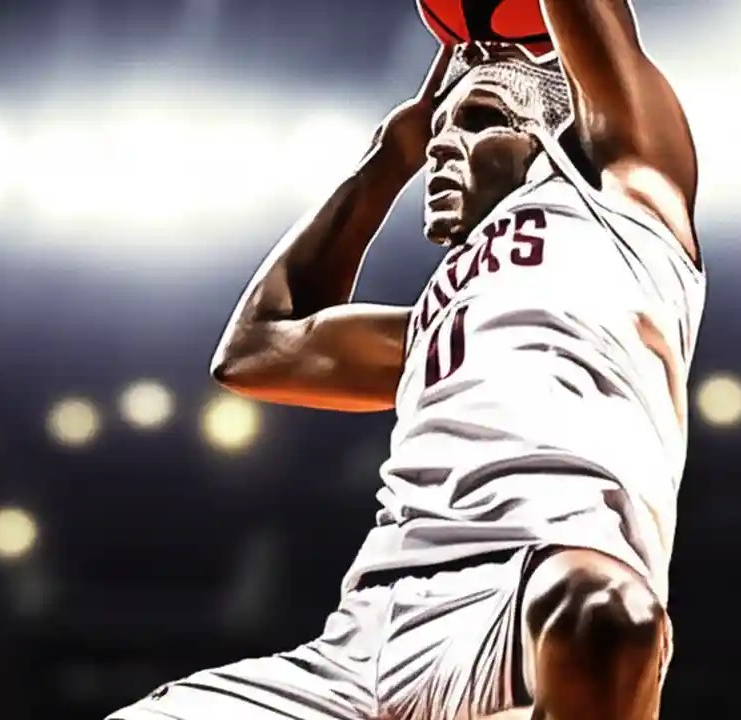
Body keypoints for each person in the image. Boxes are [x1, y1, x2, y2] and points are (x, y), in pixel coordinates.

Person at [107, 1, 702, 718]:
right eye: (438, 134)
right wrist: (390, 153)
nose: (442, 148)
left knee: (612, 619)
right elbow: (253, 349)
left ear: (552, 140)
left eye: (479, 121)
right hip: (369, 629)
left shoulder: (627, 206)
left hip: (529, 592)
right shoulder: (429, 323)